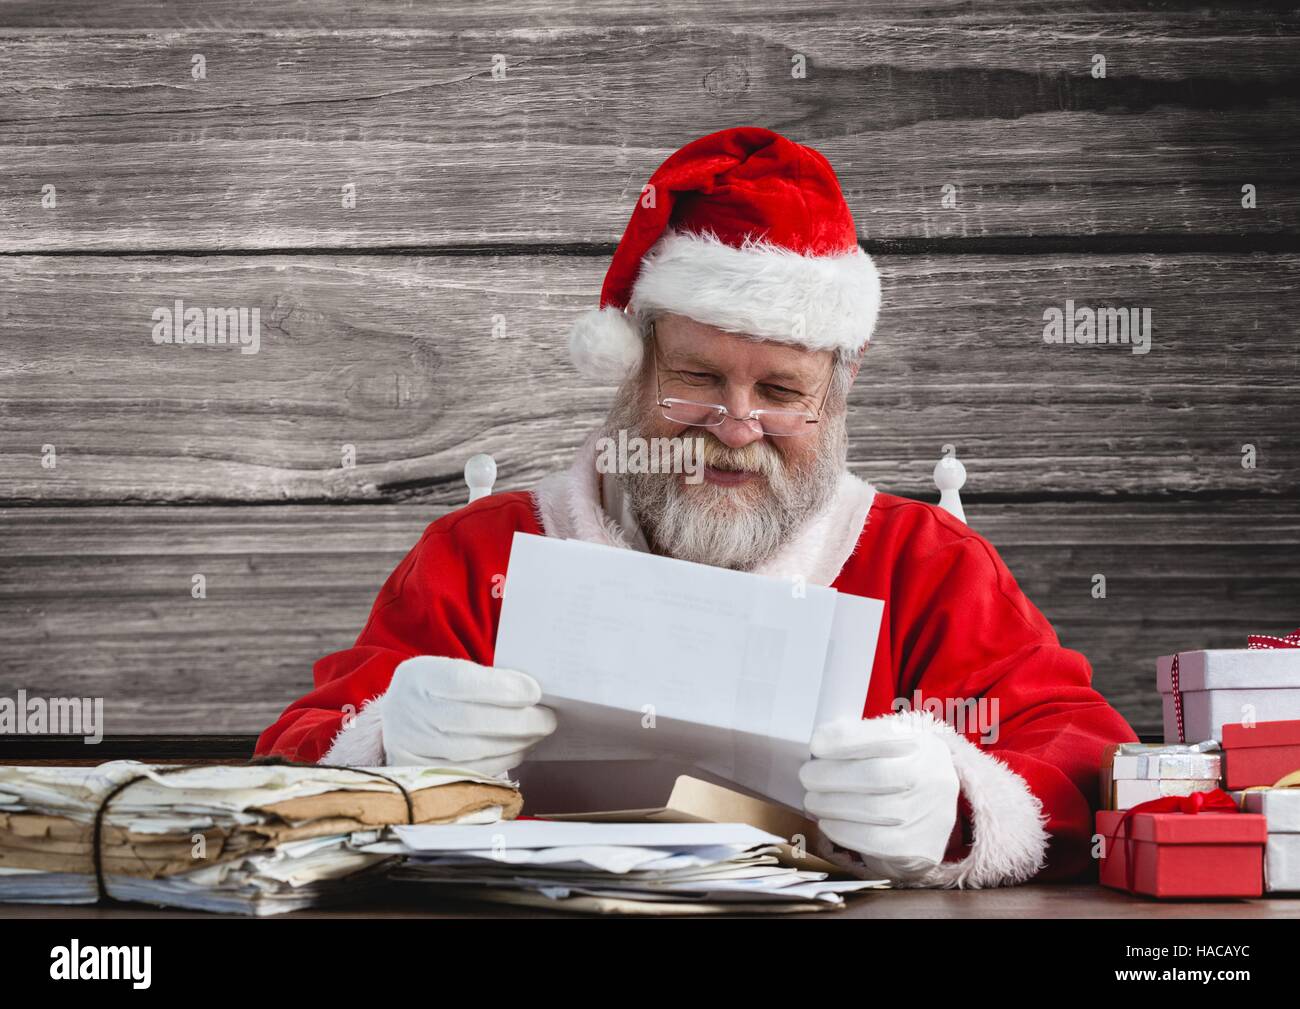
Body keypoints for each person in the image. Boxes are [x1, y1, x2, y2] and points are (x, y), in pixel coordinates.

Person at [256, 126, 1138, 888]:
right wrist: (383, 745)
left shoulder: (928, 565)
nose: (737, 427)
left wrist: (958, 805)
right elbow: (291, 752)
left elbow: (1094, 758)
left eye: (783, 390)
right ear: (634, 367)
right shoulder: (482, 553)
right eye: (697, 379)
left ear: (838, 392)